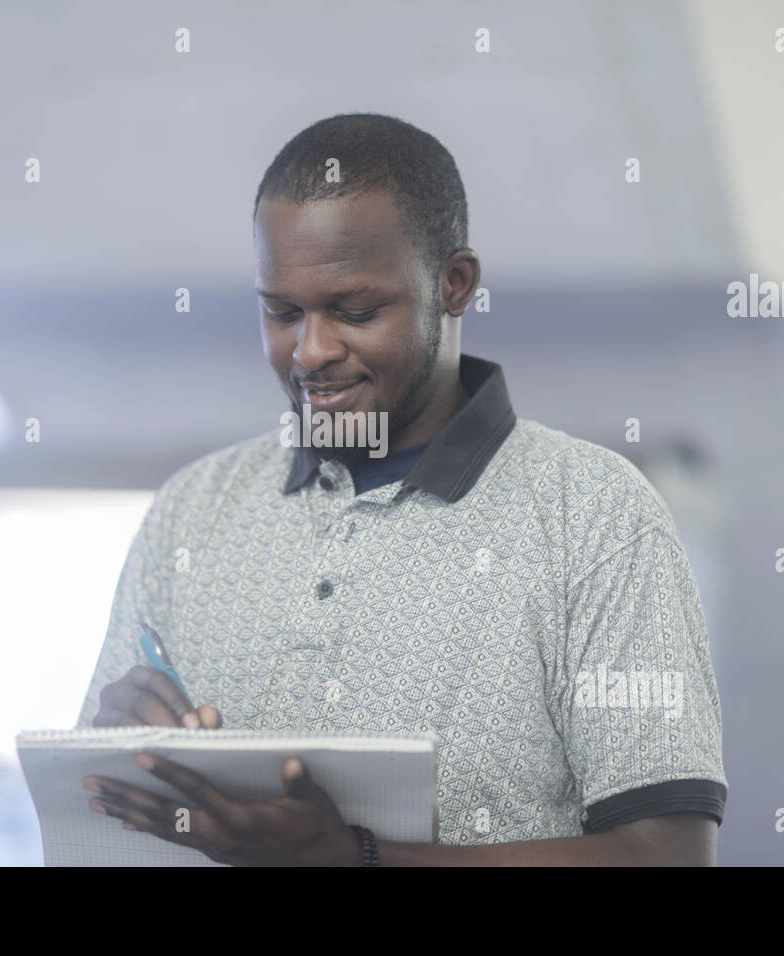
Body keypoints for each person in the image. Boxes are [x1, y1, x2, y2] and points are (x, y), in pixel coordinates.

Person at [77, 113, 727, 865]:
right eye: (281, 312)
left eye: (355, 311)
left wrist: (357, 860)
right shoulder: (190, 510)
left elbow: (668, 855)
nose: (311, 352)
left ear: (454, 285)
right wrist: (117, 747)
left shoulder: (595, 515)